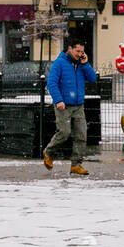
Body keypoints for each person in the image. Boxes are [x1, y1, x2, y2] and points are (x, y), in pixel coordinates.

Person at [42, 40, 97, 176]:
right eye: (77, 51)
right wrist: (59, 100)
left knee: (81, 135)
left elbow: (92, 79)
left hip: (78, 105)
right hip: (64, 105)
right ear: (70, 49)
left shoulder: (81, 64)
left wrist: (86, 64)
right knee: (64, 132)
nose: (80, 54)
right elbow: (52, 83)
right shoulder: (59, 63)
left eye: (82, 52)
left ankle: (76, 165)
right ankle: (48, 152)